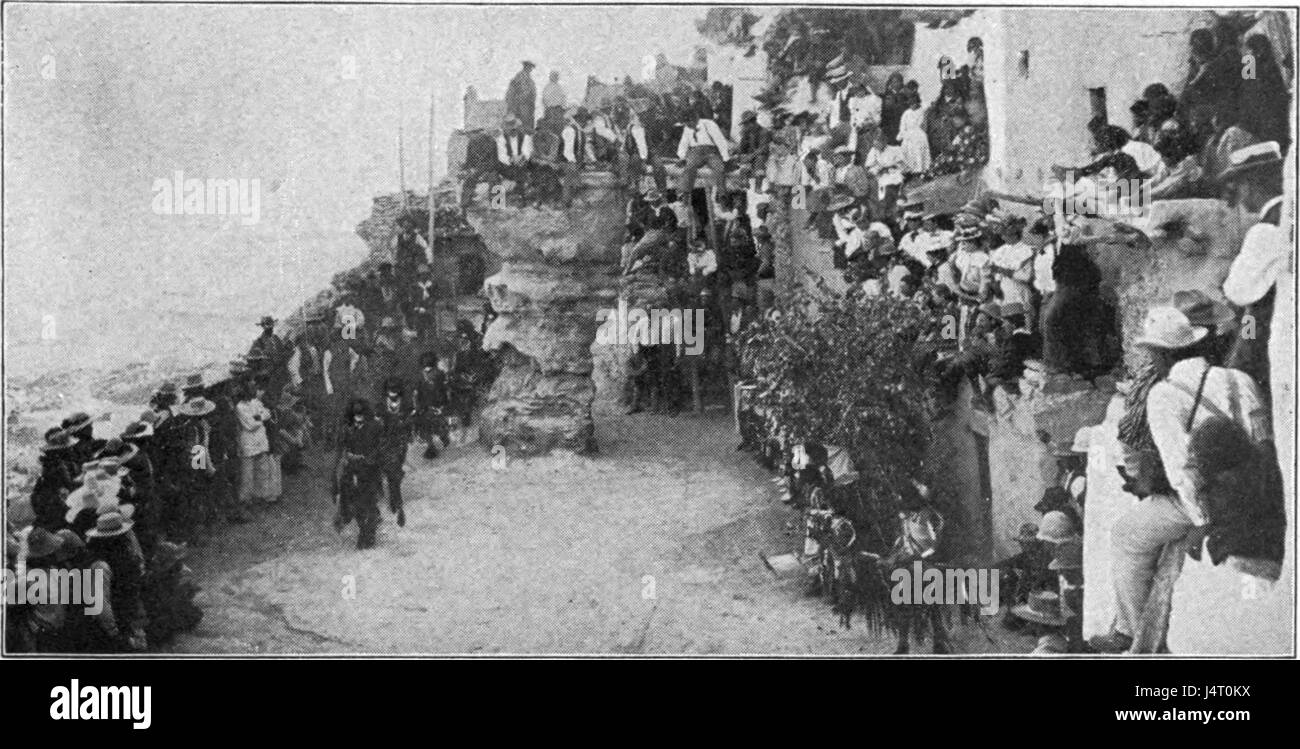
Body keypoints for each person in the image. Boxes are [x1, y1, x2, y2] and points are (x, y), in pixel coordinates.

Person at [1091, 307, 1270, 654]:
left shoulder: (1165, 394)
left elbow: (1182, 472)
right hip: (1253, 488)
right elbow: (1264, 443)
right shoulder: (1240, 381)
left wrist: (1205, 522)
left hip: (1208, 502)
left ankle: (1132, 632)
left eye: (1153, 353)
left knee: (1126, 535)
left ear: (1164, 354)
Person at [1220, 141, 1286, 396]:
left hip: (1262, 323)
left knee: (1243, 336)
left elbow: (1237, 291)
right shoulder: (1288, 215)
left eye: (1238, 183)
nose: (1235, 192)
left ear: (1253, 183)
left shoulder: (1263, 231)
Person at [85, 510, 148, 651]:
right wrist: (115, 633)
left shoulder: (123, 554)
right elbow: (101, 604)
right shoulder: (100, 565)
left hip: (127, 614)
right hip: (116, 621)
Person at [333, 398, 384, 550]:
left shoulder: (375, 426)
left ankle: (368, 534)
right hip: (352, 468)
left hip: (370, 468)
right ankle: (361, 526)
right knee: (353, 501)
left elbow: (381, 447)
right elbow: (341, 449)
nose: (358, 416)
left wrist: (370, 459)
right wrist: (346, 459)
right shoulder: (346, 428)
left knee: (368, 501)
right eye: (355, 414)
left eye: (361, 413)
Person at [1238, 34, 1290, 151]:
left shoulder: (1254, 65)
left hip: (1266, 124)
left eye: (1248, 51)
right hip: (1272, 122)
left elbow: (1250, 94)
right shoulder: (1268, 65)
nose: (1246, 54)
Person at [235, 380, 280, 507]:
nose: (253, 391)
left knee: (263, 471)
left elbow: (267, 414)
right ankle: (246, 500)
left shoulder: (256, 402)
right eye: (250, 388)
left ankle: (261, 496)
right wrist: (259, 416)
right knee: (247, 475)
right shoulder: (240, 406)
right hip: (248, 443)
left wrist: (257, 417)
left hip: (260, 441)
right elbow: (250, 424)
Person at [376, 378, 413, 528]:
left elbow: (410, 421)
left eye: (395, 391)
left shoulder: (405, 405)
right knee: (389, 469)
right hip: (385, 442)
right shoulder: (380, 406)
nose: (393, 394)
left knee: (396, 468)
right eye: (390, 391)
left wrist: (405, 425)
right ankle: (395, 500)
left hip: (400, 442)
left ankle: (394, 497)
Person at [676, 108, 730, 199]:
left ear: (693, 119)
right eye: (685, 123)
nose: (687, 125)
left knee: (719, 168)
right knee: (690, 166)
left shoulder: (709, 124)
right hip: (695, 152)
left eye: (688, 122)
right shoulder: (687, 129)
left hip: (711, 152)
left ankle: (722, 194)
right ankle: (684, 192)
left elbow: (720, 140)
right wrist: (682, 157)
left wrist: (725, 157)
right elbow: (683, 144)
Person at [413, 352, 451, 459]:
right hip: (431, 405)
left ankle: (437, 443)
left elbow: (416, 393)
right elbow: (443, 390)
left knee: (432, 427)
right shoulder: (435, 374)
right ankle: (437, 442)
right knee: (432, 425)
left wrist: (417, 407)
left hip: (430, 406)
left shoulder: (425, 375)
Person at [558, 107, 595, 207]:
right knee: (571, 173)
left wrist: (593, 159)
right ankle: (574, 200)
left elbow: (586, 147)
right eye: (582, 119)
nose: (584, 122)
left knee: (573, 176)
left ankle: (569, 200)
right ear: (577, 119)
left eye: (586, 119)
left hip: (576, 162)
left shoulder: (581, 132)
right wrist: (573, 162)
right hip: (564, 161)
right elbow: (567, 151)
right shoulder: (569, 130)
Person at [495, 114, 534, 202]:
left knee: (521, 170)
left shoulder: (525, 137)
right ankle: (498, 202)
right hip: (506, 165)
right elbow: (501, 155)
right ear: (506, 129)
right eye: (510, 129)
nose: (512, 131)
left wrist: (521, 158)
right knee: (495, 172)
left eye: (514, 128)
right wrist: (511, 159)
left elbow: (527, 152)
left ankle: (521, 197)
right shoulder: (501, 138)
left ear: (517, 127)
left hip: (520, 164)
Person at [897, 92, 931, 176]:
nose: (913, 105)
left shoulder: (922, 111)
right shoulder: (906, 113)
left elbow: (923, 124)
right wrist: (902, 134)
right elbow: (902, 126)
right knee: (906, 151)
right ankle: (909, 171)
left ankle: (920, 170)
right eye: (910, 103)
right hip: (908, 135)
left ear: (918, 101)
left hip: (919, 134)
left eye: (915, 102)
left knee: (918, 150)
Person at [504, 60, 537, 132]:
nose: (531, 69)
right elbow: (523, 92)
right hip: (521, 106)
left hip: (525, 106)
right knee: (521, 126)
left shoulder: (527, 78)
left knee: (524, 127)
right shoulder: (521, 77)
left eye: (531, 68)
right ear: (526, 67)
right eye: (530, 67)